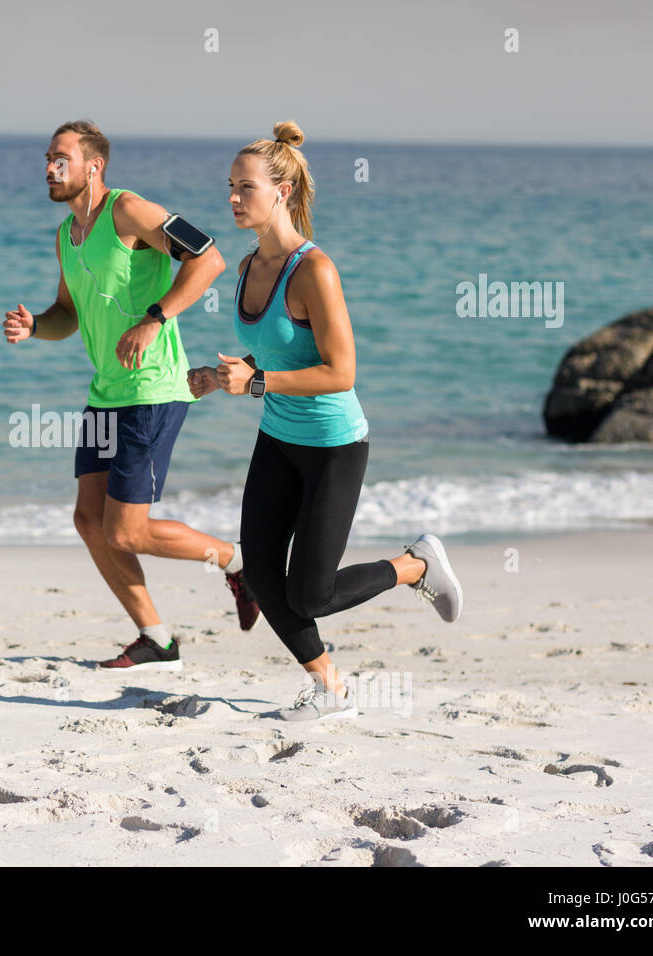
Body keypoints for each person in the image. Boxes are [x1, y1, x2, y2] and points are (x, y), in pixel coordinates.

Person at [188, 120, 463, 719]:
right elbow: (283, 350)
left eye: (246, 188)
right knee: (260, 573)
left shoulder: (315, 269)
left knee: (309, 593)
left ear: (281, 192)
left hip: (334, 445)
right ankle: (330, 690)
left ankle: (415, 564)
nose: (234, 198)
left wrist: (256, 381)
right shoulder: (245, 269)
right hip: (278, 437)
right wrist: (222, 376)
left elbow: (341, 371)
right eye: (230, 187)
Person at [3, 118, 260, 672]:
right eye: (48, 157)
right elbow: (68, 314)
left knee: (128, 530)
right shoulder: (66, 236)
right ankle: (156, 638)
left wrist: (155, 317)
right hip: (106, 394)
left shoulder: (128, 210)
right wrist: (35, 327)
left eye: (61, 158)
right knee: (89, 523)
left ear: (93, 166)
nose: (50, 167)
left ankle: (240, 564)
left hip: (151, 389)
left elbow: (208, 256)